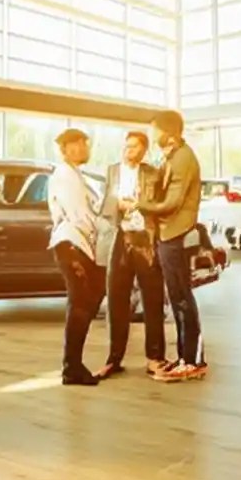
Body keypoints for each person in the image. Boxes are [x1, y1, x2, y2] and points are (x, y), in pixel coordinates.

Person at [126, 110, 206, 382]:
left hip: (176, 234)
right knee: (178, 297)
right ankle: (186, 357)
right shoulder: (174, 155)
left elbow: (171, 203)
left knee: (182, 297)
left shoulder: (183, 159)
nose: (152, 136)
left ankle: (193, 361)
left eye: (154, 131)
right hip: (169, 233)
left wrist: (140, 205)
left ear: (168, 132)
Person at [94, 130, 168, 379]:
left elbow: (159, 206)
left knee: (153, 299)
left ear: (144, 150)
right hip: (121, 237)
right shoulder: (113, 170)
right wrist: (118, 205)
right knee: (116, 298)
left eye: (134, 147)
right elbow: (105, 205)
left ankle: (155, 358)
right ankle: (114, 358)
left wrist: (141, 207)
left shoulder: (152, 174)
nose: (128, 151)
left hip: (145, 239)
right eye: (126, 146)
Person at [47, 128, 105, 387]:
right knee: (81, 305)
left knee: (86, 302)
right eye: (76, 144)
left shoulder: (77, 175)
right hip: (72, 245)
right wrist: (100, 229)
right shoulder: (65, 175)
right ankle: (71, 367)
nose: (83, 147)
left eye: (85, 143)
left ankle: (73, 364)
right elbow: (80, 215)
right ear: (64, 150)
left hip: (79, 245)